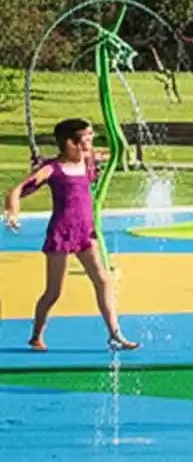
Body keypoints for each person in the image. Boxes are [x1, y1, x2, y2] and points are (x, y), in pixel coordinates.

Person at [4, 119, 140, 352]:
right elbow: (16, 191)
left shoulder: (87, 162)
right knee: (54, 291)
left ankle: (114, 333)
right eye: (86, 138)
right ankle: (36, 334)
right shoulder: (52, 169)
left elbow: (114, 153)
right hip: (62, 233)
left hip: (85, 233)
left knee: (104, 281)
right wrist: (13, 212)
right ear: (70, 142)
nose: (91, 141)